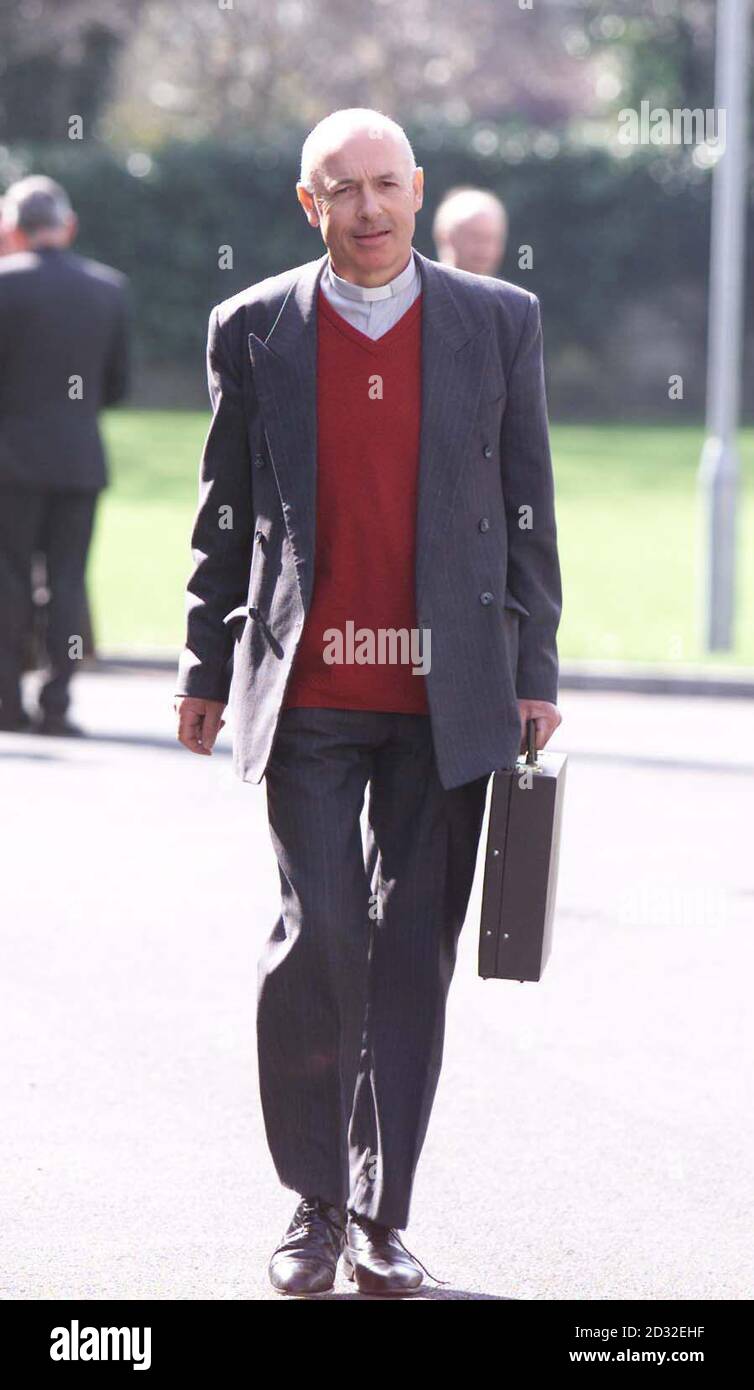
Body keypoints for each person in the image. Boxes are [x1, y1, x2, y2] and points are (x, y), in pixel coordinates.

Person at [174, 108, 562, 1297]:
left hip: (452, 694)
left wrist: (536, 668)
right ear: (309, 204)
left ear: (417, 188)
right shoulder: (252, 329)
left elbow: (531, 499)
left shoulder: (499, 320)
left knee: (409, 957)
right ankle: (311, 1206)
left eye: (387, 185)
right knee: (320, 938)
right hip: (307, 688)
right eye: (343, 190)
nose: (370, 209)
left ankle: (384, 1220)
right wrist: (202, 664)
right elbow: (224, 509)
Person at [0, 176, 129, 735]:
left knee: (8, 578)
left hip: (11, 460)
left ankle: (7, 701)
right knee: (69, 579)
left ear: (12, 229)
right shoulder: (109, 289)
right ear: (67, 225)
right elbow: (118, 386)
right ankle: (58, 703)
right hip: (79, 459)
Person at [433, 185, 508, 276]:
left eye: (490, 239)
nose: (483, 249)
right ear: (445, 236)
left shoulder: (510, 290)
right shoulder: (416, 288)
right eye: (475, 237)